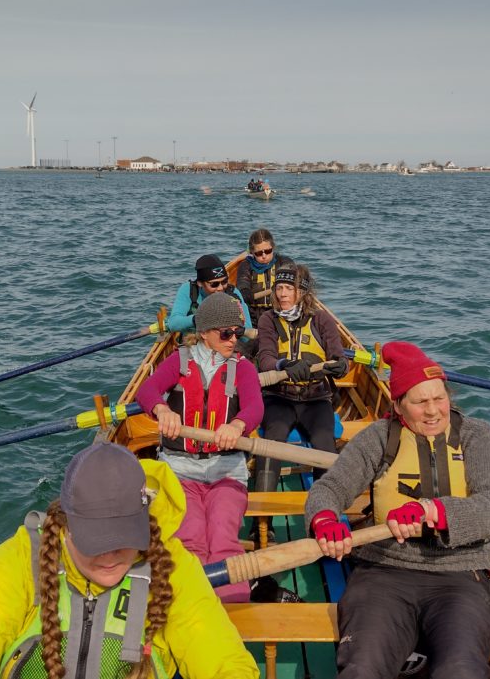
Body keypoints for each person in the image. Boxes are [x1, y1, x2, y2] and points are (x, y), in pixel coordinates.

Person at [0, 441, 259, 679]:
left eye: (125, 538)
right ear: (65, 525)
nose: (111, 556)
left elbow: (225, 663)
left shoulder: (172, 566)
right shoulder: (19, 559)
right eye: (97, 541)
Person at [305, 342, 490, 679]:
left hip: (460, 577)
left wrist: (432, 511)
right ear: (399, 405)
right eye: (420, 402)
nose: (433, 411)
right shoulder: (378, 438)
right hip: (384, 573)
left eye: (439, 398)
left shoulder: (479, 437)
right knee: (362, 668)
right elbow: (329, 489)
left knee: (461, 670)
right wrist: (325, 518)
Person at [135, 292, 262, 603]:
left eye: (238, 333)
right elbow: (146, 390)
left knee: (223, 538)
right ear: (204, 333)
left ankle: (231, 614)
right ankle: (188, 609)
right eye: (226, 333)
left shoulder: (243, 368)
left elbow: (255, 407)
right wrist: (162, 411)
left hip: (226, 471)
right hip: (180, 471)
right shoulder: (178, 361)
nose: (234, 339)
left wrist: (237, 426)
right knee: (189, 539)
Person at [254, 263, 349, 540]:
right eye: (279, 288)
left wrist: (338, 366)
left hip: (315, 399)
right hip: (278, 397)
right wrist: (285, 364)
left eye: (289, 288)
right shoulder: (268, 320)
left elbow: (338, 356)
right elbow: (266, 358)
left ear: (302, 292)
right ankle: (263, 522)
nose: (283, 294)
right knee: (271, 443)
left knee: (324, 445)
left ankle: (325, 517)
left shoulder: (322, 320)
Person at [164, 253, 252, 337]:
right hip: (193, 342)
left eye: (224, 282)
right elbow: (173, 323)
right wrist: (199, 318)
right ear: (200, 283)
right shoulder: (189, 290)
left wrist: (237, 331)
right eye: (214, 284)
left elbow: (248, 330)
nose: (220, 288)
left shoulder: (233, 293)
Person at [235, 228, 292, 329]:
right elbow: (243, 288)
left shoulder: (284, 263)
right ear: (252, 252)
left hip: (280, 312)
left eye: (268, 251)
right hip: (254, 315)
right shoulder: (246, 266)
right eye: (259, 253)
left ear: (273, 248)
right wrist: (245, 292)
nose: (264, 256)